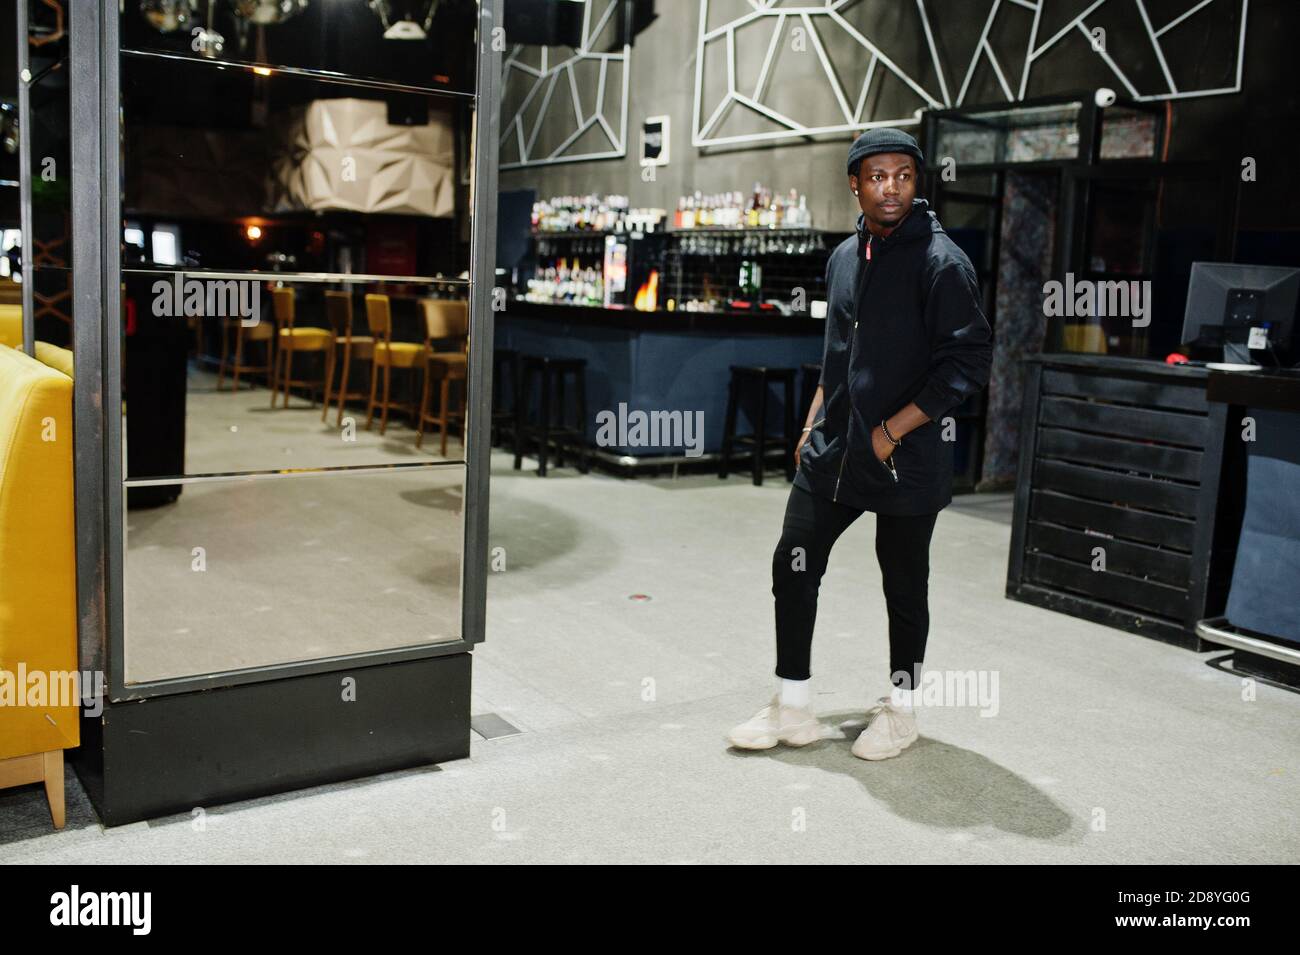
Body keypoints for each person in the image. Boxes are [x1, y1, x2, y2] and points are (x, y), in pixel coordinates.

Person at [727, 127, 992, 759]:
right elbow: (836, 355)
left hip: (907, 454)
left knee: (904, 585)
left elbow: (967, 364)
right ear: (856, 184)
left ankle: (901, 709)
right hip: (835, 447)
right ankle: (792, 705)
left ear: (916, 181)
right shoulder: (844, 257)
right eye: (877, 176)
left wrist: (889, 430)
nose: (890, 187)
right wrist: (815, 418)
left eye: (902, 174)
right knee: (793, 560)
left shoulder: (942, 262)